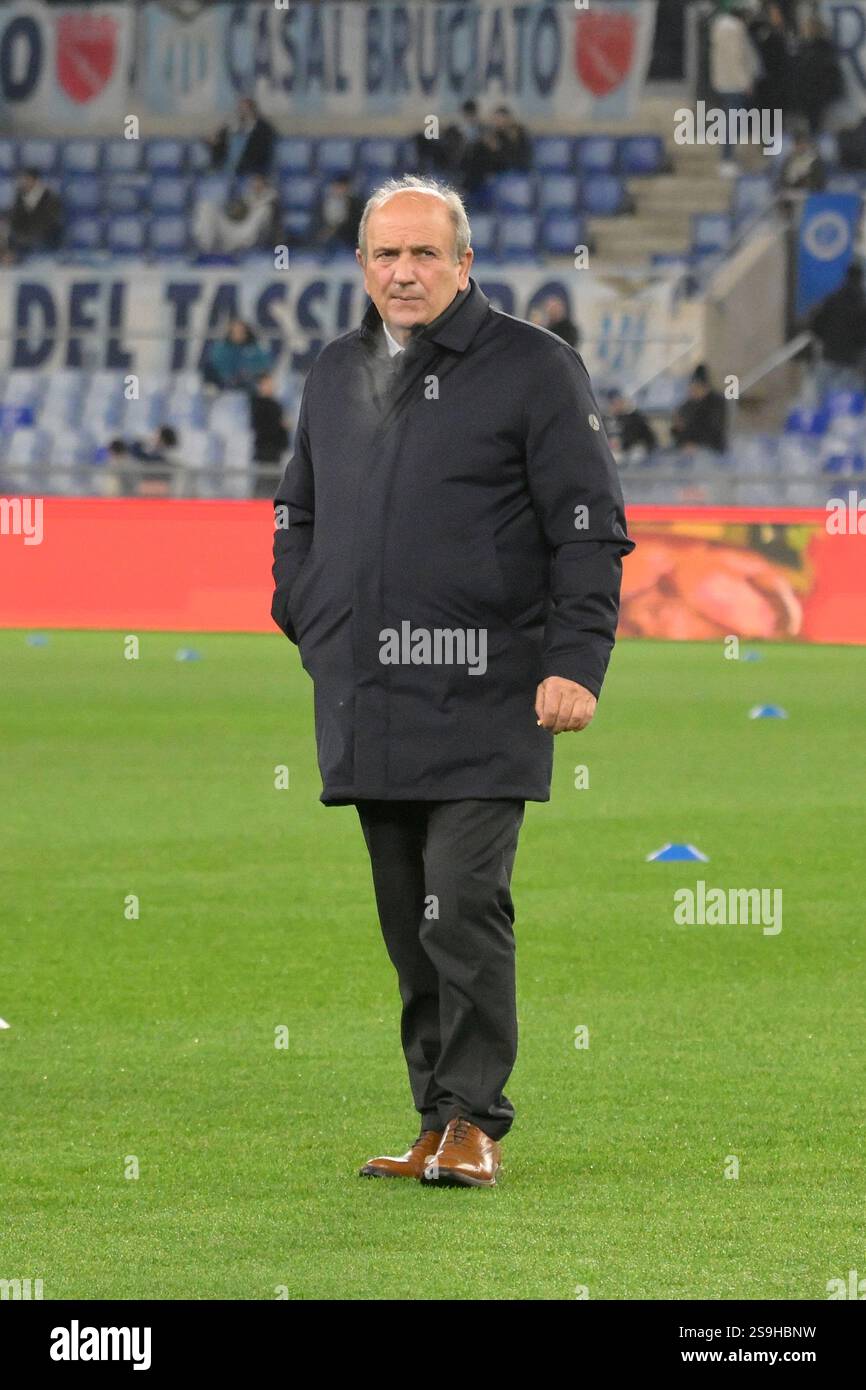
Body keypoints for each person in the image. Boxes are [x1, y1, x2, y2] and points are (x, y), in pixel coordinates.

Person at [270, 175, 634, 1187]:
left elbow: (588, 527)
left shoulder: (534, 368)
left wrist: (574, 660)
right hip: (367, 699)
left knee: (462, 905)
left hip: (486, 692)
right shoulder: (332, 371)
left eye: (424, 253)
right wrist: (306, 614)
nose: (403, 271)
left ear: (463, 263)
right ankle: (433, 1117)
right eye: (385, 254)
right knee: (407, 924)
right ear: (361, 266)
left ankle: (475, 1118)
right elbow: (293, 512)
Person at [709, 1, 762, 175]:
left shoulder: (719, 27)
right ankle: (727, 159)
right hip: (734, 83)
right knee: (733, 122)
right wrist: (745, 82)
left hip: (724, 81)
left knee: (732, 121)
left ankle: (728, 157)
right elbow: (736, 57)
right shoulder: (733, 29)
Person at [808, 263, 866, 399]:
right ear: (861, 278)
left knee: (822, 398)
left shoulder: (832, 299)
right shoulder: (862, 304)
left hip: (829, 354)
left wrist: (825, 338)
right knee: (845, 400)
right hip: (851, 360)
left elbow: (816, 323)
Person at [193, 175, 281, 256]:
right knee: (206, 207)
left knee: (264, 211)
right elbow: (233, 217)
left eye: (259, 182)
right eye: (254, 182)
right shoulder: (246, 198)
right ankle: (205, 249)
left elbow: (272, 231)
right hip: (234, 234)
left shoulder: (271, 204)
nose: (256, 185)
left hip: (250, 239)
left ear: (266, 185)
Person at [0, 169, 62, 261]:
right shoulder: (20, 195)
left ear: (34, 180)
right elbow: (15, 216)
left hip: (45, 236)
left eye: (25, 179)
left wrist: (30, 233)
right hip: (22, 236)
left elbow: (51, 220)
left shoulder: (50, 197)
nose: (23, 182)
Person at [208, 97, 275, 178]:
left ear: (252, 110)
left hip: (249, 170)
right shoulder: (230, 125)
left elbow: (263, 153)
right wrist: (214, 143)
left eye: (244, 109)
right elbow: (218, 146)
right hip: (226, 168)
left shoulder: (263, 128)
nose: (241, 112)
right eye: (239, 109)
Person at [202, 318, 272, 392]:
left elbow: (264, 364)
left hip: (249, 382)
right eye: (235, 331)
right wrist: (228, 376)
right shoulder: (221, 347)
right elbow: (216, 363)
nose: (238, 333)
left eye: (241, 331)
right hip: (224, 382)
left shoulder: (254, 348)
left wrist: (251, 371)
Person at [671, 364, 727, 452]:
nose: (693, 392)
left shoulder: (716, 402)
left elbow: (714, 428)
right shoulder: (688, 404)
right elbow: (678, 429)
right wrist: (678, 427)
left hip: (711, 448)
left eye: (696, 388)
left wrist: (695, 444)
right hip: (688, 448)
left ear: (705, 387)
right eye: (692, 388)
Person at [251, 374, 290, 497]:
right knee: (263, 483)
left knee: (274, 486)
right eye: (267, 383)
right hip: (264, 450)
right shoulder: (257, 404)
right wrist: (281, 425)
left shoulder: (276, 405)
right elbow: (262, 427)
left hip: (275, 451)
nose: (271, 386)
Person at [309, 174, 365, 253]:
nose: (339, 189)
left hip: (348, 240)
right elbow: (316, 222)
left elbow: (357, 225)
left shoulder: (356, 204)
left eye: (342, 186)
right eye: (337, 186)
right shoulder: (323, 203)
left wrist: (336, 229)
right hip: (325, 239)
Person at [603, 388, 658, 461]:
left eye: (619, 401)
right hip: (612, 453)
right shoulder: (604, 419)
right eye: (614, 403)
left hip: (631, 452)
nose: (618, 405)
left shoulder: (634, 417)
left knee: (636, 455)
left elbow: (649, 438)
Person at [778, 127, 827, 196]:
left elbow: (820, 181)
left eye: (803, 143)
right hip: (791, 193)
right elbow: (783, 180)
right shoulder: (788, 160)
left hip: (811, 193)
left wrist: (804, 179)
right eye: (798, 144)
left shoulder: (815, 160)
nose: (801, 146)